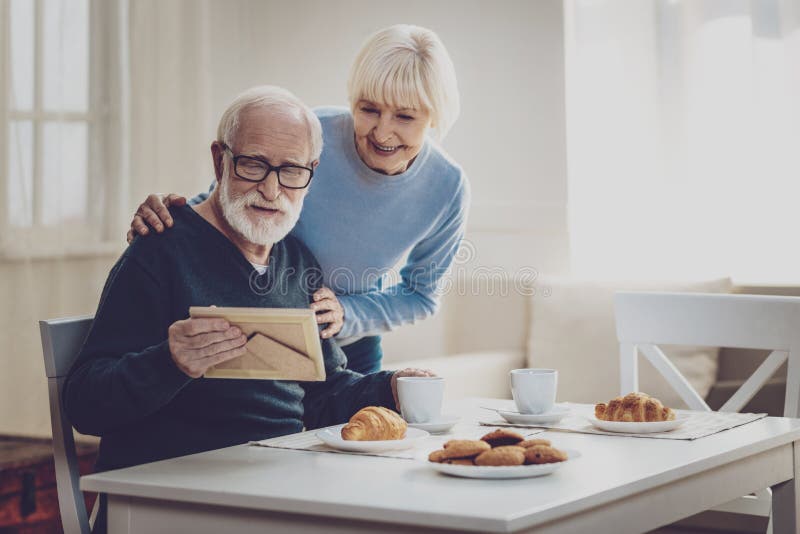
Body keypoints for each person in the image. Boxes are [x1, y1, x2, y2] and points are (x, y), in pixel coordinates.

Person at [64, 86, 432, 480]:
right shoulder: (160, 249)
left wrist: (392, 387)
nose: (271, 190)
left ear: (311, 174)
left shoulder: (296, 262)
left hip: (277, 479)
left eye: (291, 171)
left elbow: (323, 394)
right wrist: (169, 363)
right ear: (219, 161)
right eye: (253, 165)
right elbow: (85, 405)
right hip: (172, 490)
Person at [127, 24, 470, 374]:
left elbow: (421, 296)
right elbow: (231, 195)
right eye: (368, 109)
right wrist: (172, 219)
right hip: (260, 321)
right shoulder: (312, 131)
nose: (382, 132)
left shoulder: (448, 188)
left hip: (347, 344)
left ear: (434, 117)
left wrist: (348, 312)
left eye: (405, 116)